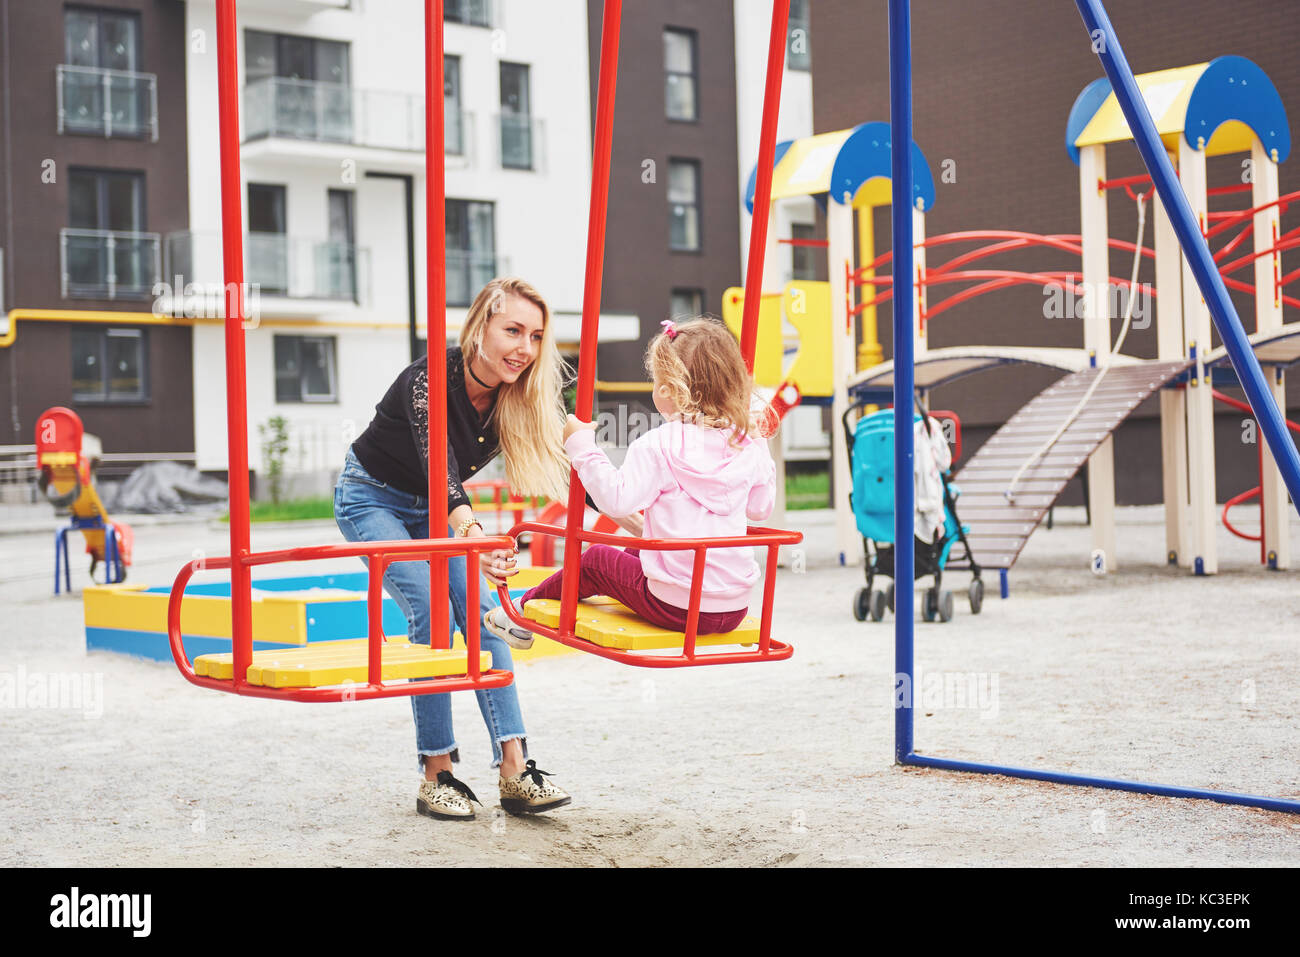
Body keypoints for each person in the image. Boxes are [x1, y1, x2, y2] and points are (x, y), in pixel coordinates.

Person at [334, 277, 576, 821]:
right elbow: (438, 462)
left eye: (535, 336)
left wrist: (640, 506)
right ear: (479, 328)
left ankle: (515, 768)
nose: (525, 348)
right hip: (373, 498)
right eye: (513, 330)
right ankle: (437, 773)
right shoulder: (428, 379)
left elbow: (574, 445)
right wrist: (475, 535)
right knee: (431, 606)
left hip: (438, 511)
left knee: (487, 617)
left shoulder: (520, 395)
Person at [484, 317, 776, 646]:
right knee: (633, 552)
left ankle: (519, 614)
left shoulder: (659, 444)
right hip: (733, 605)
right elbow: (761, 508)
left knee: (595, 560)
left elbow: (617, 500)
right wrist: (759, 444)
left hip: (678, 606)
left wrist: (582, 448)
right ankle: (537, 607)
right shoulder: (745, 445)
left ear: (667, 388)